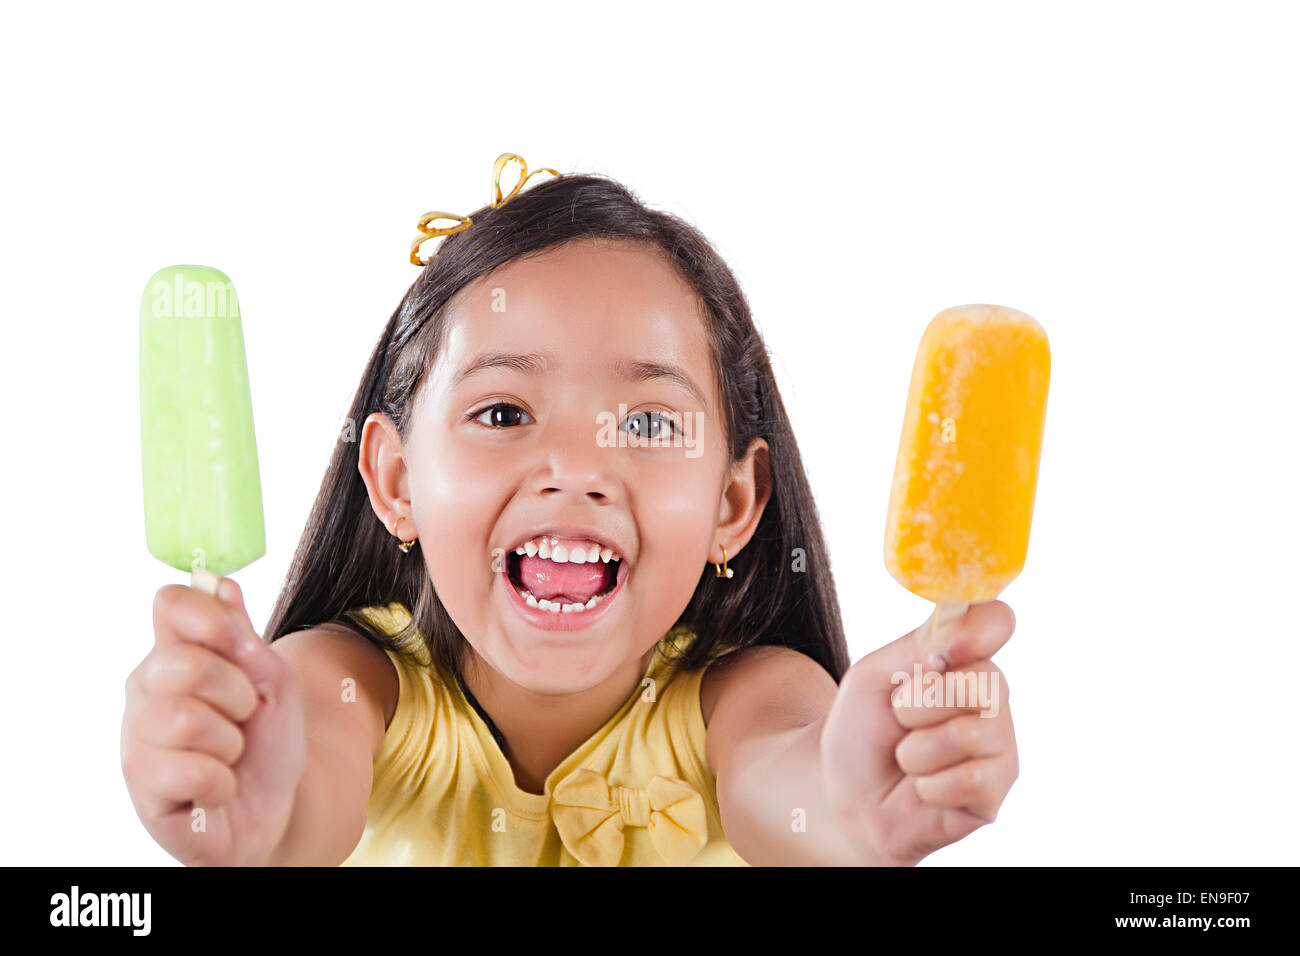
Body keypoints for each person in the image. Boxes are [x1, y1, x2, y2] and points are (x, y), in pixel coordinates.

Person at [123, 154, 1018, 866]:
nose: (576, 468)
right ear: (396, 482)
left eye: (649, 421)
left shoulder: (746, 701)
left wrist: (862, 812)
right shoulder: (347, 688)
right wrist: (252, 807)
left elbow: (801, 788)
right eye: (504, 412)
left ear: (733, 501)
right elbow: (299, 788)